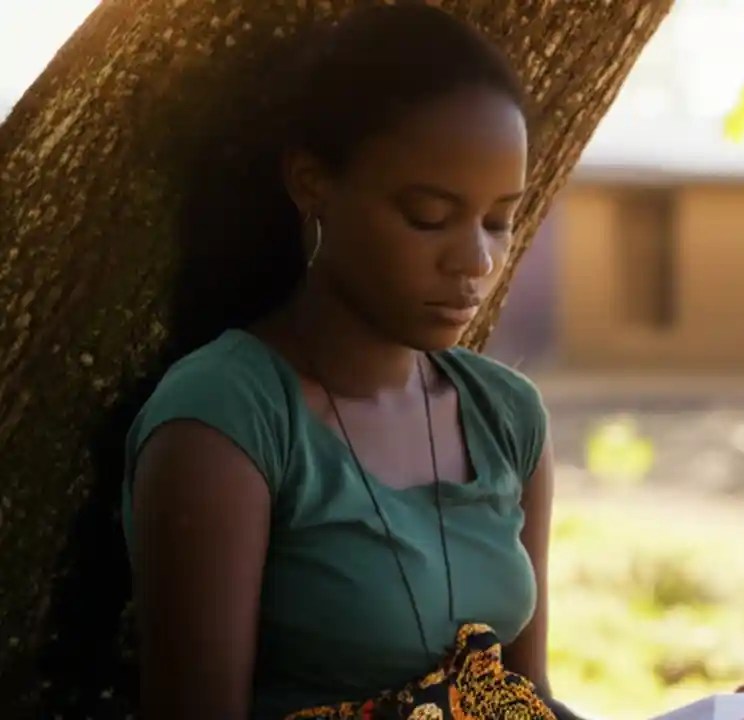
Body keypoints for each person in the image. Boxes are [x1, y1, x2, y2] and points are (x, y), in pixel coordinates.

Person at [122, 5, 584, 718]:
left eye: (499, 220)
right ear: (313, 184)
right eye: (428, 216)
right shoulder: (228, 421)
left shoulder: (506, 417)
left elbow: (527, 700)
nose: (476, 260)